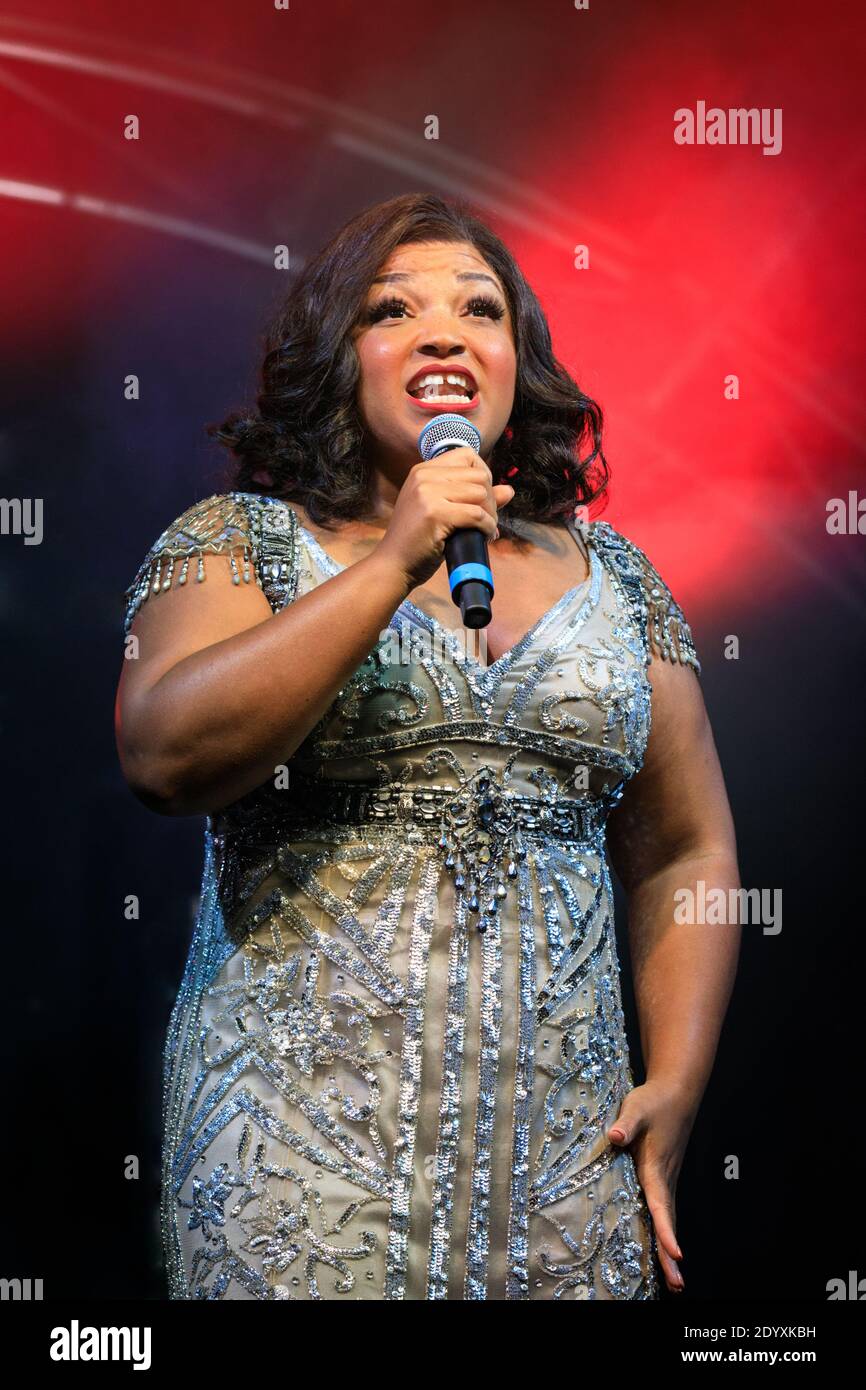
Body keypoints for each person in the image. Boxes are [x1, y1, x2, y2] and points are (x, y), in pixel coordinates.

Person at [115, 192, 741, 1302]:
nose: (445, 331)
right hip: (298, 1178)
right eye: (392, 309)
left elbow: (685, 849)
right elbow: (164, 755)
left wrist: (679, 1078)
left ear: (515, 361)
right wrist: (390, 560)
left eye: (480, 310)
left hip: (562, 1175)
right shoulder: (239, 542)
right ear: (337, 357)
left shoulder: (621, 582)